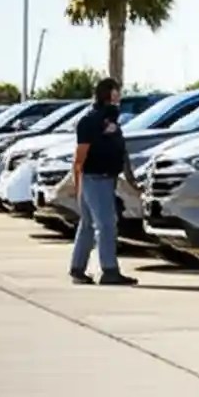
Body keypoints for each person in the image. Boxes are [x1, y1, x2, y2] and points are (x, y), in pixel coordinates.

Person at [69, 77, 138, 285]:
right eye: (115, 92)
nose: (118, 97)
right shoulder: (90, 121)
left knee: (88, 225)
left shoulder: (112, 121)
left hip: (107, 179)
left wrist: (131, 179)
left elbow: (121, 151)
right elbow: (80, 156)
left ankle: (77, 268)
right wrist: (77, 182)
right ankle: (109, 270)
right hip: (94, 178)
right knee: (106, 225)